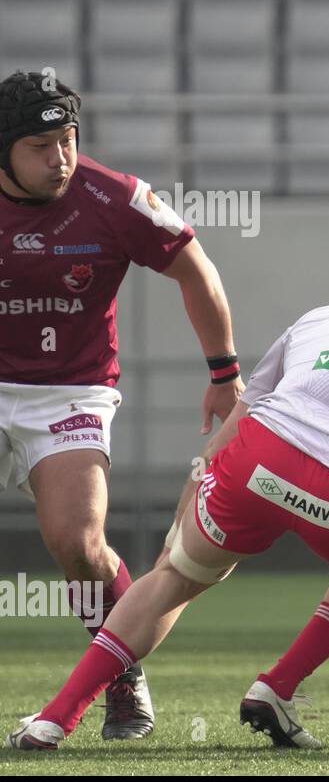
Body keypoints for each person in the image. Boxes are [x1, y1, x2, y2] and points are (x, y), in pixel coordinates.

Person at [5, 250, 329, 751]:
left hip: (259, 463)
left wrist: (182, 527)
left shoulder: (318, 318)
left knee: (174, 577)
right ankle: (279, 685)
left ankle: (54, 719)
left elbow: (229, 432)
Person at [0, 70, 243, 739]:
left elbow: (195, 268)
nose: (60, 158)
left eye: (69, 139)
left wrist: (224, 371)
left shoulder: (114, 198)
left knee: (78, 545)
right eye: (40, 145)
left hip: (70, 392)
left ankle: (122, 673)